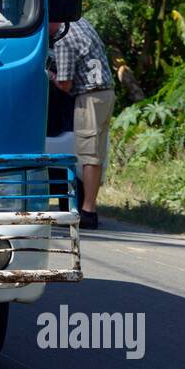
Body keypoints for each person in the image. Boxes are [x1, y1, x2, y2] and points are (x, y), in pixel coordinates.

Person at [48, 16, 115, 229]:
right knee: (95, 155)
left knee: (88, 157)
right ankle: (89, 207)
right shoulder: (80, 23)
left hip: (89, 97)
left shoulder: (63, 41)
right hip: (106, 94)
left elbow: (65, 85)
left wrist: (49, 74)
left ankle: (87, 212)